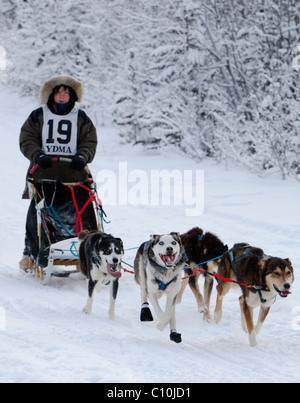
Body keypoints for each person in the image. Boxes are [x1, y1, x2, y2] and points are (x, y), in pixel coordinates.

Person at [19, 75, 98, 270]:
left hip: (74, 175)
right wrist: (37, 155)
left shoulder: (81, 117)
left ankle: (89, 250)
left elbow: (90, 140)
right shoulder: (38, 115)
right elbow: (27, 139)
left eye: (66, 92)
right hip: (43, 172)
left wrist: (83, 156)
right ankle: (30, 252)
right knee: (35, 214)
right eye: (58, 92)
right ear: (51, 94)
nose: (62, 96)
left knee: (85, 212)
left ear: (72, 95)